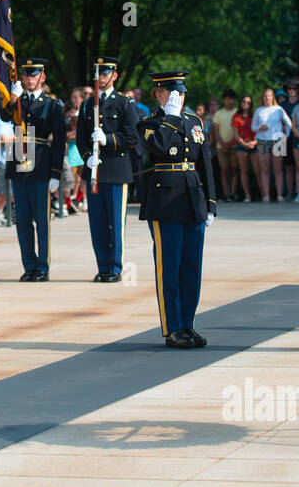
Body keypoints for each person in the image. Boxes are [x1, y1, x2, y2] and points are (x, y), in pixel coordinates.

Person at [138, 70, 215, 347]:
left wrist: (211, 203)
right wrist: (170, 117)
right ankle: (172, 328)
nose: (179, 97)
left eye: (181, 93)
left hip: (193, 197)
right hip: (165, 201)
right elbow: (158, 147)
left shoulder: (194, 121)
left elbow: (204, 162)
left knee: (191, 267)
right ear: (158, 94)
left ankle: (187, 324)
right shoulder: (149, 122)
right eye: (172, 93)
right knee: (169, 267)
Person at [0, 59, 66, 281]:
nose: (29, 78)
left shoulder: (52, 105)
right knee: (23, 220)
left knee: (41, 220)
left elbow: (58, 141)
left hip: (40, 165)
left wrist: (56, 173)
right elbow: (5, 117)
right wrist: (13, 99)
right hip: (18, 164)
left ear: (42, 77)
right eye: (26, 75)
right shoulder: (15, 101)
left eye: (33, 75)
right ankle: (29, 265)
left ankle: (42, 267)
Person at [76, 56, 140, 282]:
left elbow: (133, 135)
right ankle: (102, 266)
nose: (100, 78)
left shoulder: (124, 103)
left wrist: (108, 139)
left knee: (115, 222)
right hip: (94, 172)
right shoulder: (87, 104)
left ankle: (114, 267)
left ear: (115, 76)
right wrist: (87, 158)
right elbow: (81, 139)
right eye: (98, 74)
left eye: (105, 74)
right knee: (98, 223)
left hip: (115, 169)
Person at [252, 87, 293, 203]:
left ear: (272, 97)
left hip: (277, 140)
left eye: (269, 95)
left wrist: (286, 135)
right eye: (265, 95)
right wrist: (260, 127)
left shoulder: (278, 109)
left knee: (278, 169)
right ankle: (266, 196)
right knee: (264, 169)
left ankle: (280, 195)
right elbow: (253, 127)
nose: (267, 98)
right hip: (262, 140)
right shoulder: (259, 110)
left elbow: (289, 123)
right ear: (262, 97)